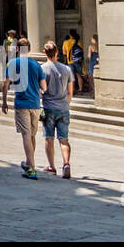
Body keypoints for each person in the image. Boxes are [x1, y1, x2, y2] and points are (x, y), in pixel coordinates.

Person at [2, 38, 45, 179]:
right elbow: (44, 86)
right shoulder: (36, 65)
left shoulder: (13, 63)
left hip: (22, 103)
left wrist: (4, 102)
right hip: (35, 104)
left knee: (26, 135)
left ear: (17, 49)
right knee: (32, 135)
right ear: (30, 49)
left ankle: (31, 168)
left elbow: (5, 84)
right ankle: (28, 163)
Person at [40, 40, 74, 178]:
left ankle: (52, 167)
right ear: (57, 52)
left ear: (45, 53)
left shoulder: (42, 69)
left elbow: (41, 89)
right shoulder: (67, 69)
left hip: (48, 107)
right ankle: (66, 164)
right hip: (63, 107)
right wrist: (66, 103)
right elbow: (70, 92)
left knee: (49, 138)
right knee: (63, 139)